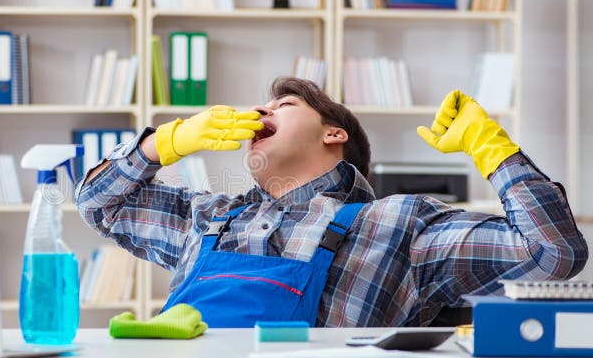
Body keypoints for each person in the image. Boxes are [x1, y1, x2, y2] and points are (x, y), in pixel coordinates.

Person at [76, 76, 588, 327]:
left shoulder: (400, 224)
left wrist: (490, 147)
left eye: (284, 105)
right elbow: (103, 206)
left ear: (334, 133)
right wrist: (166, 142)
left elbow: (554, 255)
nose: (261, 110)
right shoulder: (208, 217)